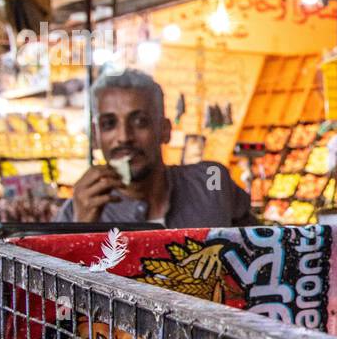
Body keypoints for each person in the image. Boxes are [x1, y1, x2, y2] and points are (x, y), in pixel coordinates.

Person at [55, 70, 254, 227]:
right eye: (109, 124)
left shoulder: (211, 182)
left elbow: (262, 250)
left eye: (140, 122)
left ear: (165, 130)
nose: (124, 137)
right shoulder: (80, 209)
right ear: (95, 137)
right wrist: (80, 231)